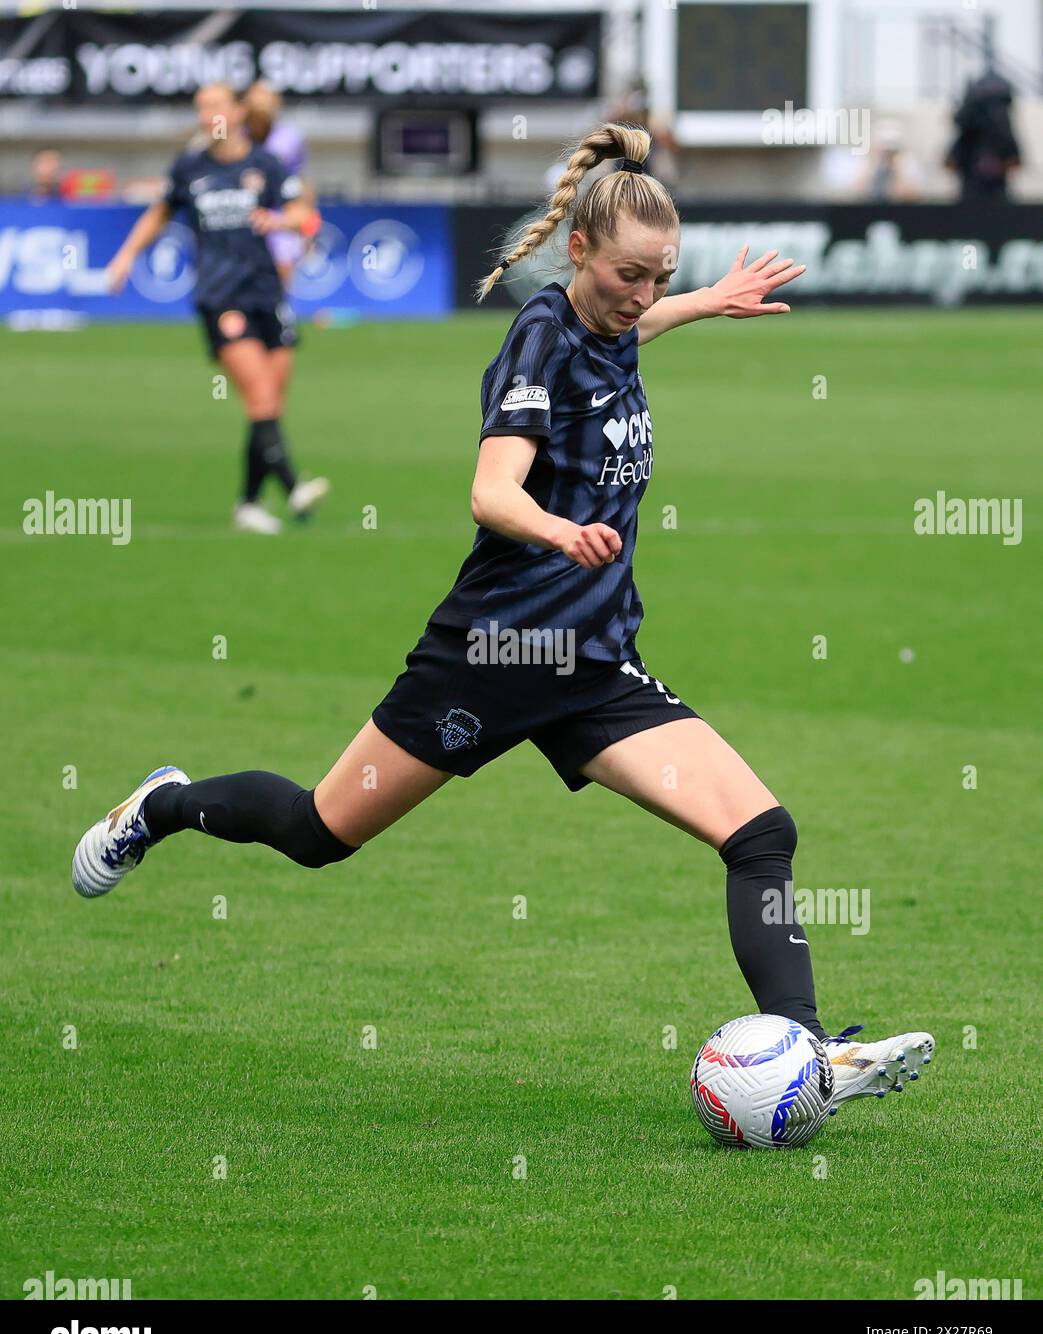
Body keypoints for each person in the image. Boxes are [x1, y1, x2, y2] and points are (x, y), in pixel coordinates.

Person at [73, 122, 933, 1112]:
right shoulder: (538, 336)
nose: (642, 295)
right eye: (628, 276)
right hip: (487, 659)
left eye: (661, 275)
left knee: (758, 831)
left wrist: (706, 301)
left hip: (593, 670)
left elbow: (629, 334)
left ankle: (814, 1052)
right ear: (576, 252)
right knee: (320, 830)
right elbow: (491, 492)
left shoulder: (613, 326)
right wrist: (562, 533)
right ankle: (161, 804)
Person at [105, 83, 329, 535]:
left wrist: (280, 219)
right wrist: (126, 254)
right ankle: (291, 487)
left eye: (215, 105)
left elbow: (305, 216)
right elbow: (160, 212)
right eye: (201, 107)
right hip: (220, 298)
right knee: (261, 397)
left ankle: (247, 504)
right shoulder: (190, 167)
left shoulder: (264, 165)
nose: (208, 114)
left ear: (236, 111)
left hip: (267, 295)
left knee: (268, 405)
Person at [243, 81, 315, 290]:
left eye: (266, 98)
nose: (260, 104)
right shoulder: (235, 135)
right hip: (243, 216)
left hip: (280, 215)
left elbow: (300, 185)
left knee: (279, 279)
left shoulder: (288, 138)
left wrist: (308, 230)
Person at [946, 69, 1021, 202]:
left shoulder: (1003, 131)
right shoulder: (968, 133)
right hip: (971, 195)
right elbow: (950, 163)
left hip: (996, 196)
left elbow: (1014, 162)